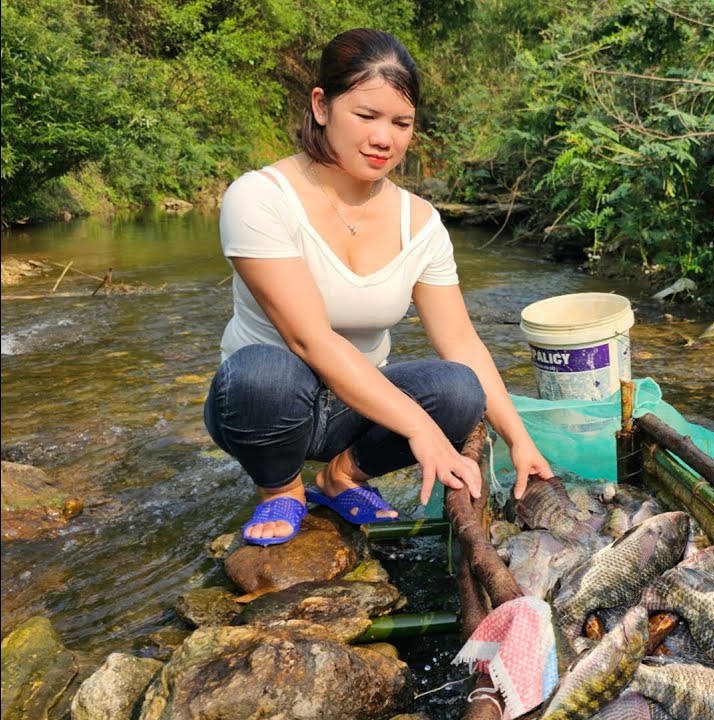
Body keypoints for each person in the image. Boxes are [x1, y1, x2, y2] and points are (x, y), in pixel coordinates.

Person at [203, 28, 551, 546]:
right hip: (265, 406)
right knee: (263, 373)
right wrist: (420, 428)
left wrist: (519, 439)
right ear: (321, 106)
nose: (384, 138)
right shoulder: (259, 197)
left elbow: (460, 342)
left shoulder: (421, 222)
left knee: (460, 389)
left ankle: (341, 477)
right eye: (366, 116)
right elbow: (309, 340)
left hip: (358, 408)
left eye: (401, 123)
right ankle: (281, 488)